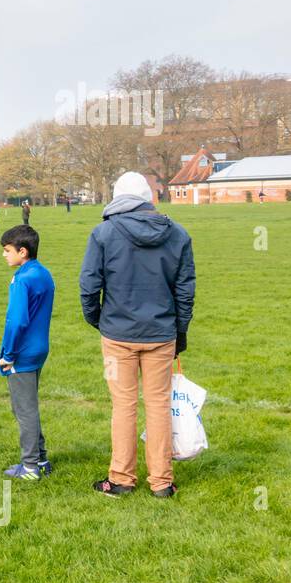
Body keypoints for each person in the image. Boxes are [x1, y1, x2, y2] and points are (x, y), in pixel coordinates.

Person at [80, 171, 195, 499]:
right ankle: (161, 482)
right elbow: (185, 290)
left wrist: (99, 321)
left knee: (124, 405)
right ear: (148, 198)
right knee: (158, 404)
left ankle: (121, 479)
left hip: (119, 333)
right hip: (159, 333)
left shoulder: (103, 233)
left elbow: (89, 286)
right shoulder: (178, 234)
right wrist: (180, 332)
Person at [0, 225, 56, 480]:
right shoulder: (43, 273)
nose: (4, 255)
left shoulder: (22, 279)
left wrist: (8, 354)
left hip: (23, 352)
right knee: (28, 405)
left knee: (24, 409)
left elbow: (17, 320)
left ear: (23, 251)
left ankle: (30, 466)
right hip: (40, 348)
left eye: (7, 250)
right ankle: (40, 460)